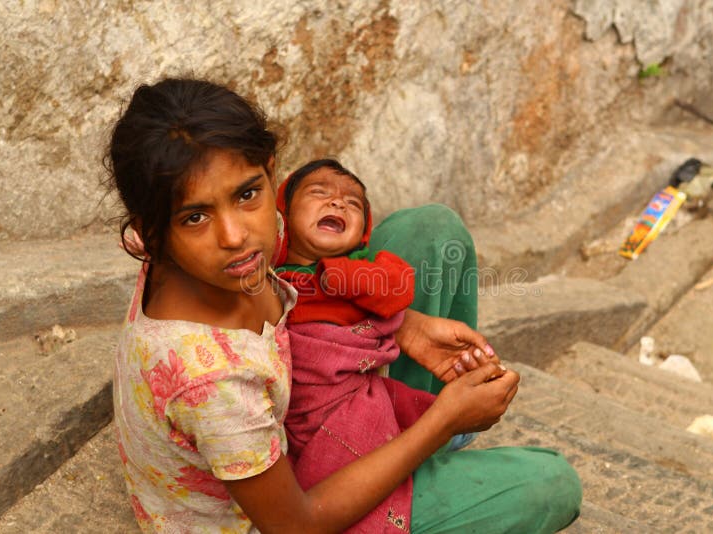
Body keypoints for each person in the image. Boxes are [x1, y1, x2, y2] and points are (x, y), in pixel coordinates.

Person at [109, 77, 582, 533]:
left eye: (247, 194)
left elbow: (295, 279)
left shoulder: (211, 255)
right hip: (287, 507)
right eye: (195, 216)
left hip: (312, 398)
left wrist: (405, 326)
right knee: (550, 485)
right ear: (150, 233)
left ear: (273, 173)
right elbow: (296, 525)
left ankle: (412, 433)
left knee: (432, 232)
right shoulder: (212, 384)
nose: (235, 236)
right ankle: (426, 438)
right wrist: (442, 424)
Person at [274, 159, 488, 531]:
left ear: (362, 238)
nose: (338, 203)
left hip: (357, 391)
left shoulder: (360, 269)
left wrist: (341, 272)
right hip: (304, 418)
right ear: (283, 216)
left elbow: (397, 286)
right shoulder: (267, 275)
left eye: (353, 204)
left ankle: (448, 425)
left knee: (402, 405)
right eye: (319, 193)